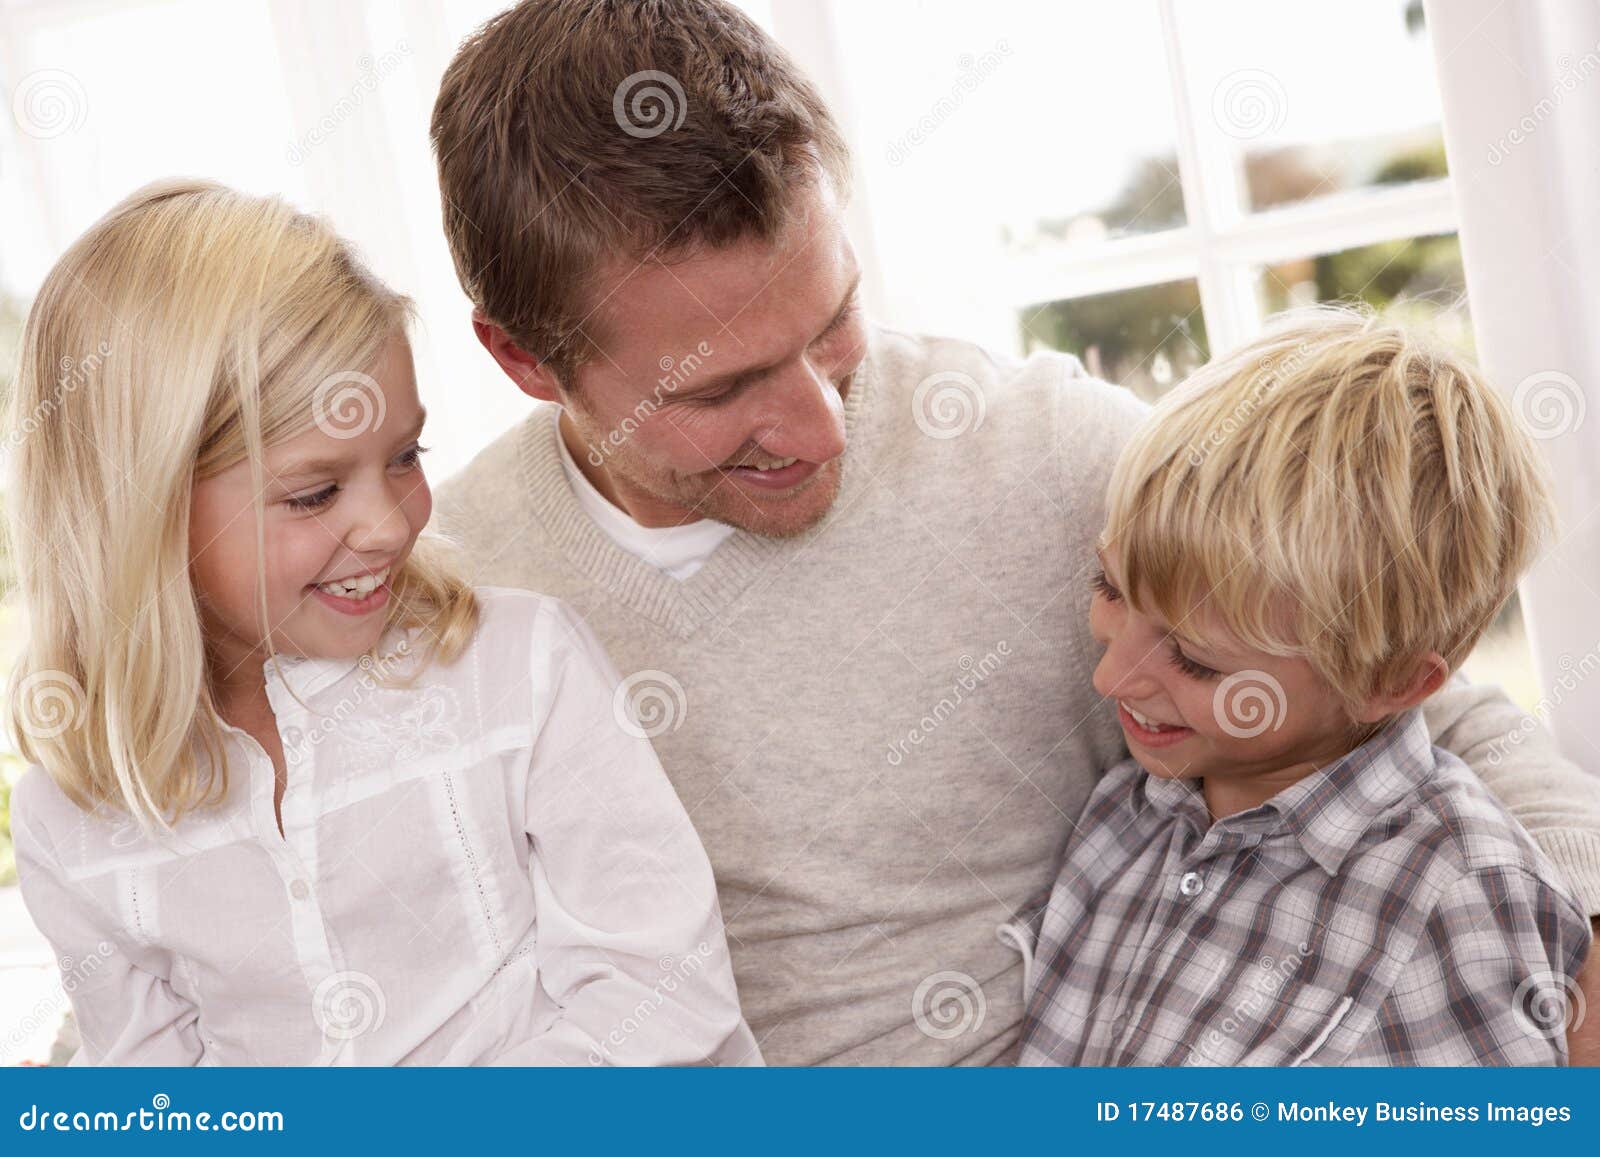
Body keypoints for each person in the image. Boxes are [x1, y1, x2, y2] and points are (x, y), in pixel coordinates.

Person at [428, 0, 1600, 1063]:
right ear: (524, 359)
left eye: (834, 323)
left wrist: (1570, 942)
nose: (820, 424)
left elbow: (1403, 702)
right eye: (718, 388)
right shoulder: (454, 596)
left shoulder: (1037, 451)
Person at [7, 179, 756, 1066]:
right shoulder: (72, 812)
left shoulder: (521, 670)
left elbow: (665, 1001)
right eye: (314, 492)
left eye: (405, 457)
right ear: (141, 512)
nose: (392, 524)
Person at [1015, 308, 1589, 1065]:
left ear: (1388, 681)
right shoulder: (1128, 815)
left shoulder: (1454, 903)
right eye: (1111, 588)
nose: (1112, 675)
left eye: (1195, 661)